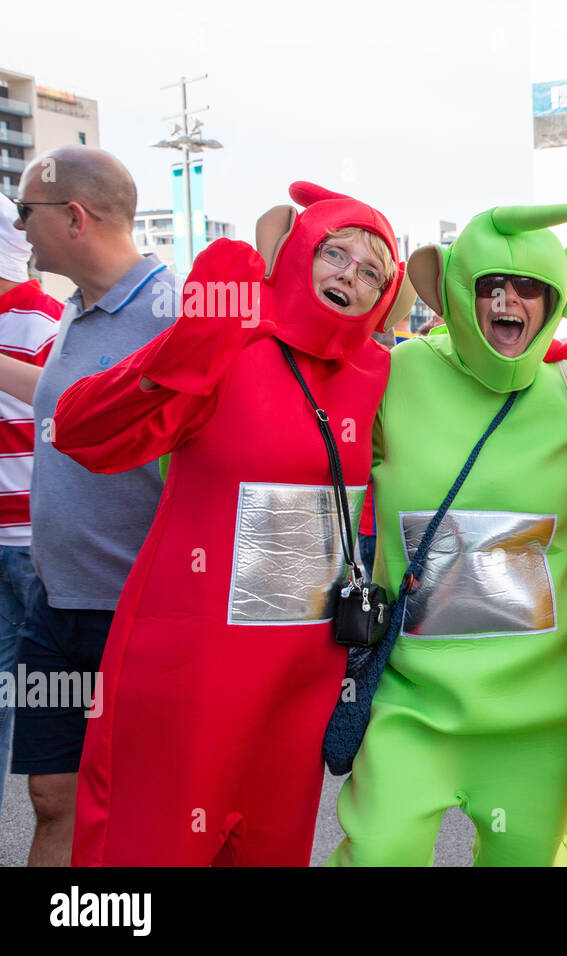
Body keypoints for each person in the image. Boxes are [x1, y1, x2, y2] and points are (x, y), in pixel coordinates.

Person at [54, 182, 411, 865]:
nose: (350, 277)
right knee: (144, 856)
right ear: (298, 253)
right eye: (333, 254)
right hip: (190, 669)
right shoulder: (232, 341)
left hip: (301, 678)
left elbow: (470, 392)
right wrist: (189, 346)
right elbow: (80, 432)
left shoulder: (381, 374)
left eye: (373, 271)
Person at [330, 202, 567, 867]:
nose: (509, 299)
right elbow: (293, 451)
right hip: (412, 708)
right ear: (451, 287)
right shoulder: (393, 374)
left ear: (558, 295)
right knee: (377, 855)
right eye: (489, 285)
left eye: (530, 286)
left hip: (541, 716)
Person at [10, 146, 178, 866]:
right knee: (51, 795)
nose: (20, 229)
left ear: (74, 218)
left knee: (135, 807)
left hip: (135, 617)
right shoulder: (77, 311)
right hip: (56, 606)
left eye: (27, 213)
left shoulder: (174, 313)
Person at [0, 194, 60, 817]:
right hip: (22, 546)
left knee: (58, 715)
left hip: (36, 548)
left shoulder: (49, 318)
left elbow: (71, 413)